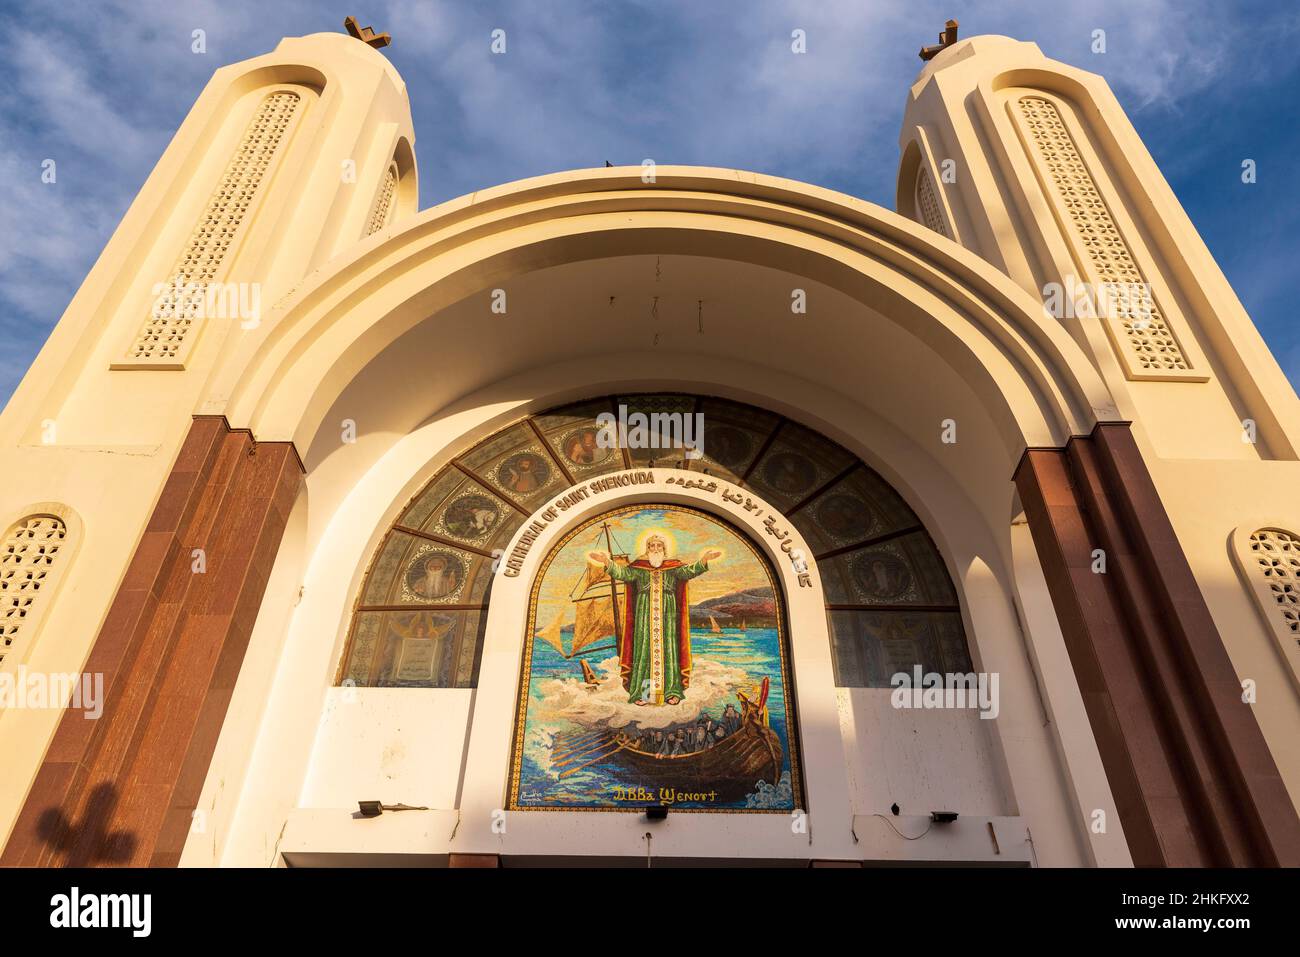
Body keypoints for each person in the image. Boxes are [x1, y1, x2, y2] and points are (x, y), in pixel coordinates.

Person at [588, 534, 723, 705]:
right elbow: (623, 573)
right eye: (652, 545)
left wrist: (704, 560)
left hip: (668, 615)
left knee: (669, 651)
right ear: (648, 548)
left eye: (659, 545)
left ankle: (671, 692)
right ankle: (644, 695)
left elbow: (689, 571)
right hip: (644, 614)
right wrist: (606, 562)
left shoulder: (673, 567)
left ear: (664, 548)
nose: (656, 548)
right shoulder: (639, 567)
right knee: (644, 651)